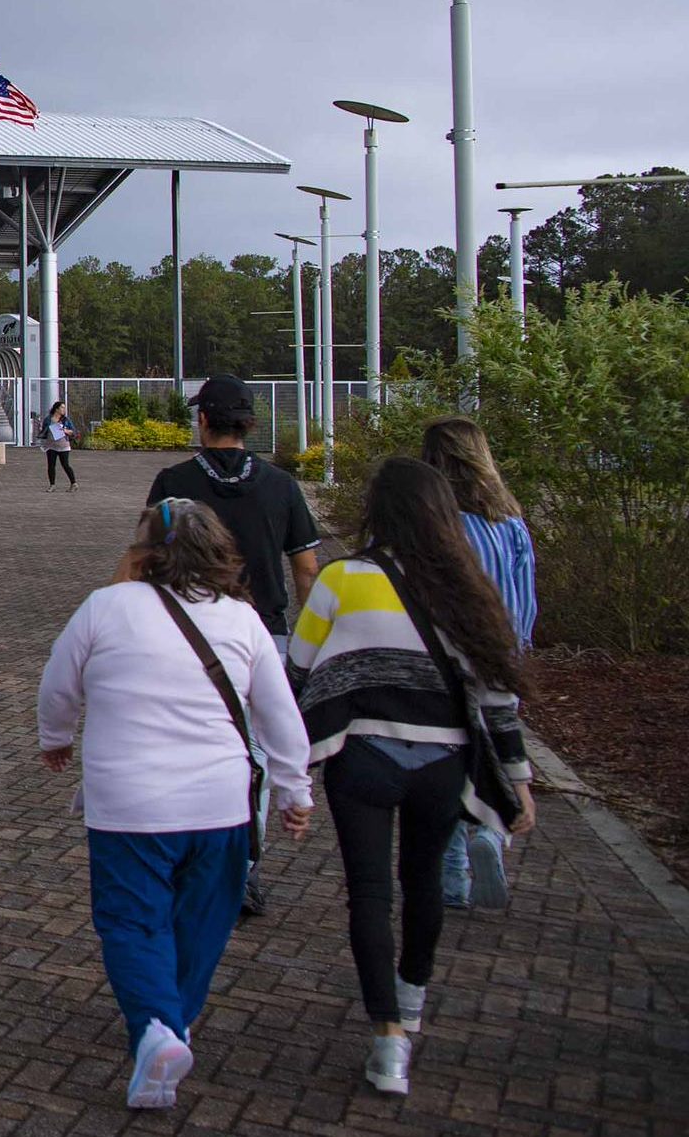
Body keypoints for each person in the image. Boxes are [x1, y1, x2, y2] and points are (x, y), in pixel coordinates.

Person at [39, 498, 313, 1110]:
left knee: (132, 922)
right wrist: (296, 790)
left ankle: (158, 1029)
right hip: (220, 806)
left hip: (128, 804)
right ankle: (172, 1026)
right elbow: (279, 716)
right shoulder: (243, 620)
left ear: (144, 550)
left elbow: (59, 683)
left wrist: (55, 738)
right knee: (202, 922)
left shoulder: (105, 607)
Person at [288, 457, 537, 1098]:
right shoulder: (465, 586)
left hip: (361, 757)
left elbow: (300, 668)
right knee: (422, 881)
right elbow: (496, 696)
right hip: (443, 763)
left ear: (378, 509)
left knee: (369, 895)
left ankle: (387, 1040)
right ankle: (413, 994)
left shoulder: (342, 578)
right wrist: (519, 780)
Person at [147, 374, 322, 917]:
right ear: (249, 422)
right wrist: (306, 641)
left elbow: (148, 557)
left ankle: (180, 858)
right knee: (258, 757)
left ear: (203, 420)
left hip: (183, 634)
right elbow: (307, 568)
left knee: (177, 745)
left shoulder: (173, 481)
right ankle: (240, 869)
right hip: (262, 632)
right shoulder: (281, 484)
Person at [422, 417, 536, 912]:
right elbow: (526, 594)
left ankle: (453, 876)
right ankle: (492, 830)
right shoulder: (509, 520)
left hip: (445, 654)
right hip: (498, 651)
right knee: (495, 745)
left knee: (445, 758)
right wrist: (518, 650)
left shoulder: (433, 522)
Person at [42, 401, 79, 490]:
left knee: (65, 464)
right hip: (51, 445)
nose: (64, 410)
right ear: (57, 409)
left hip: (63, 445)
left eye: (64, 408)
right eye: (62, 407)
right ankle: (52, 485)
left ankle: (73, 483)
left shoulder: (66, 420)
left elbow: (73, 431)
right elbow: (44, 430)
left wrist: (66, 431)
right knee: (51, 465)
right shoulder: (48, 419)